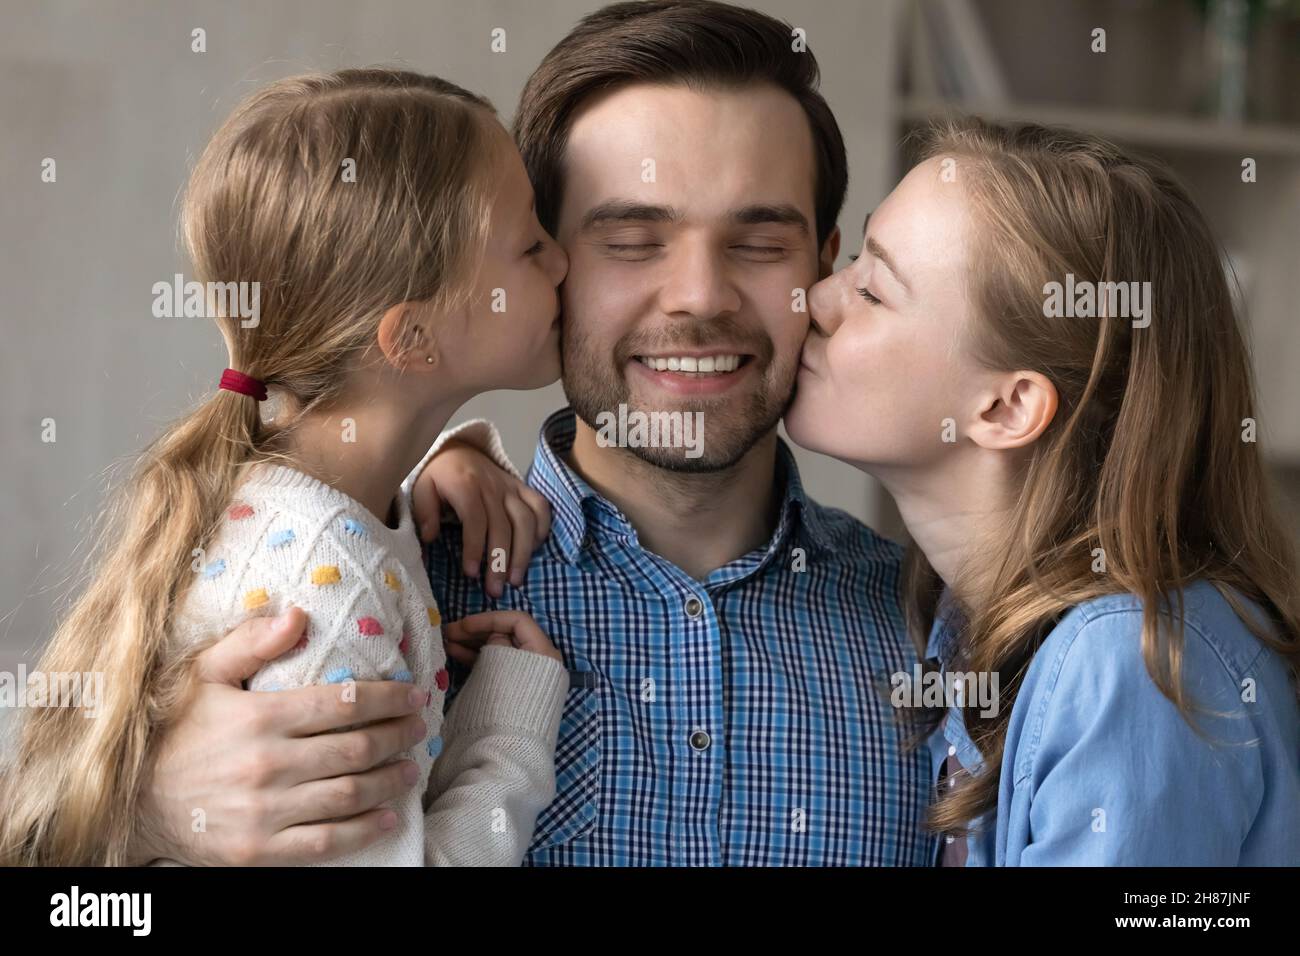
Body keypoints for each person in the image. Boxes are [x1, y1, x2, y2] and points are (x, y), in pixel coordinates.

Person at [129, 0, 938, 867]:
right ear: (538, 265)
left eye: (760, 243)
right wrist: (144, 819)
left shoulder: (937, 629)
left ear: (825, 266)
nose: (701, 296)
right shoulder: (364, 588)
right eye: (631, 240)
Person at [0, 68, 572, 866]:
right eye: (531, 243)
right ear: (410, 340)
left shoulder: (312, 519)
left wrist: (448, 460)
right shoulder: (320, 602)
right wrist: (510, 730)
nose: (564, 262)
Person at [784, 117, 1300, 864]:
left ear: (1005, 408)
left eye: (872, 289)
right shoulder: (969, 624)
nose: (816, 299)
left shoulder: (1130, 664)